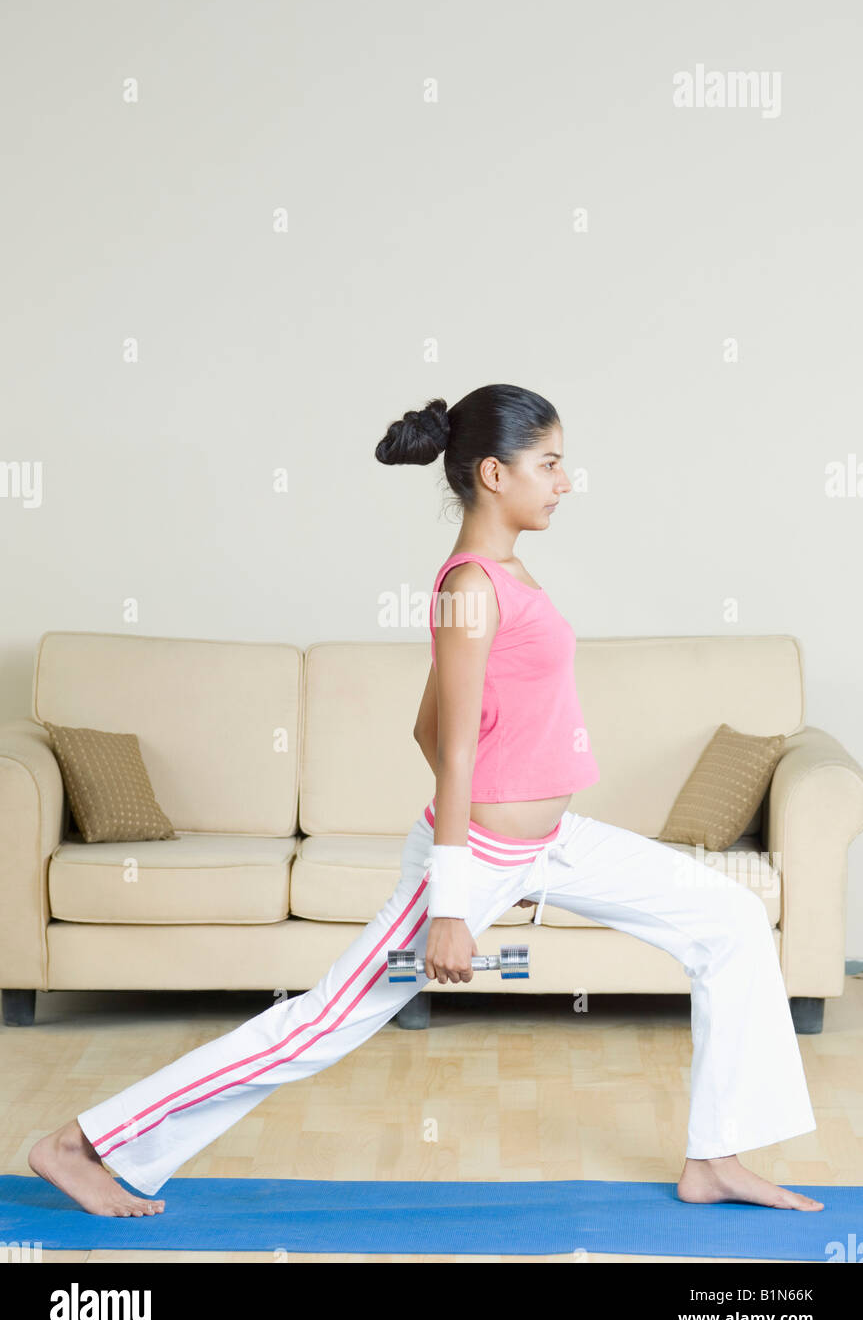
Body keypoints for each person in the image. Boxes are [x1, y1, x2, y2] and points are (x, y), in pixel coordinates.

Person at [28, 382, 822, 1217]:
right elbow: (448, 750)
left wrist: (520, 799)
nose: (564, 481)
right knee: (317, 1025)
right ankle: (79, 1143)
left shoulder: (504, 575)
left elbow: (429, 720)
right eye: (549, 463)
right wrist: (451, 903)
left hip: (549, 845)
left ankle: (715, 1159)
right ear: (492, 472)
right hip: (476, 859)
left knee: (729, 921)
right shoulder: (470, 586)